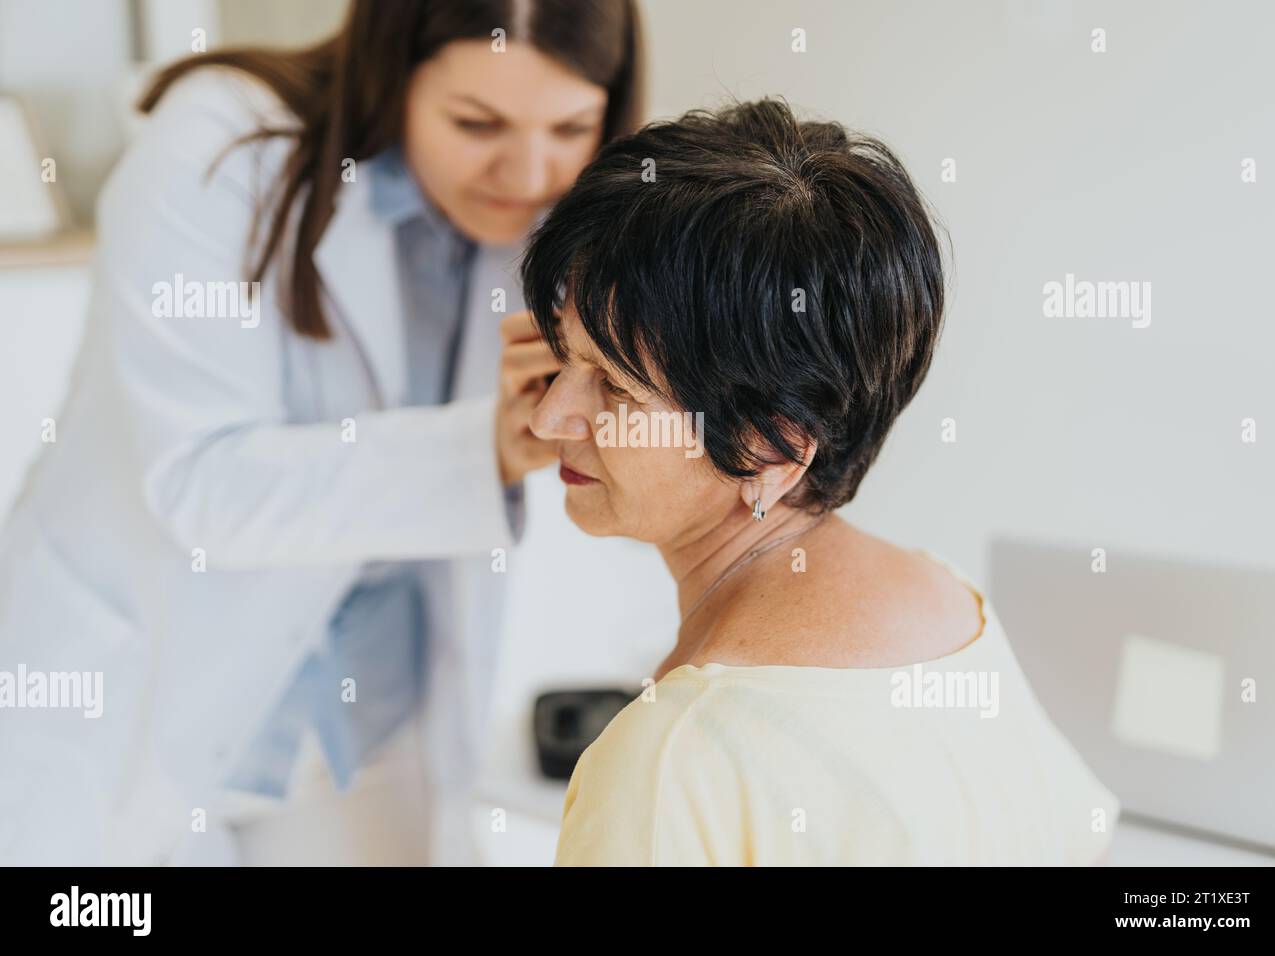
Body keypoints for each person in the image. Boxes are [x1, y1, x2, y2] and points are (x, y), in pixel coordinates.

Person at [0, 0, 643, 866]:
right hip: (143, 694)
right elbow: (203, 483)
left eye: (570, 126)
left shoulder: (556, 217)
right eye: (475, 121)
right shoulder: (220, 152)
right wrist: (481, 449)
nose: (529, 172)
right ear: (392, 68)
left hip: (365, 721)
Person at [520, 98, 1121, 865]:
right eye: (560, 356)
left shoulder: (669, 761)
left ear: (772, 446)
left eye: (610, 385)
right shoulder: (948, 606)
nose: (548, 417)